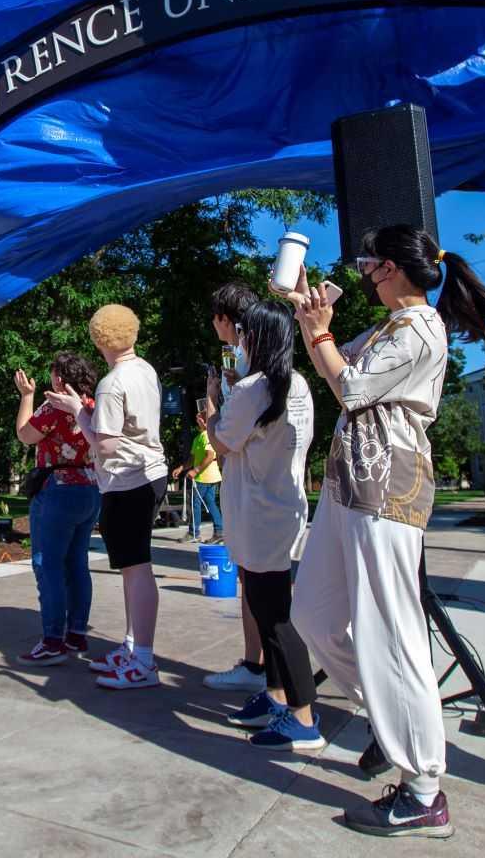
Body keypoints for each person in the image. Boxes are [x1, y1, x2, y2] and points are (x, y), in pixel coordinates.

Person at [287, 225, 485, 840]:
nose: (362, 272)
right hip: (349, 482)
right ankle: (394, 723)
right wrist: (311, 317)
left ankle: (423, 790)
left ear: (388, 268)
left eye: (367, 263)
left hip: (388, 478)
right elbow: (329, 364)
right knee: (312, 613)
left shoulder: (420, 328)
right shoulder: (389, 328)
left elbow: (352, 388)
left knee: (392, 628)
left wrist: (323, 334)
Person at [206, 300, 319, 750]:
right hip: (284, 506)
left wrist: (214, 405)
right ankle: (275, 696)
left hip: (258, 513)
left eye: (243, 332)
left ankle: (304, 716)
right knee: (270, 606)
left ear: (257, 337)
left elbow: (223, 440)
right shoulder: (297, 384)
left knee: (276, 619)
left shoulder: (254, 387)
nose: (238, 338)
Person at [44, 304, 168, 690]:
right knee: (134, 569)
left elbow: (107, 445)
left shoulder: (111, 383)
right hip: (149, 475)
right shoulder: (145, 369)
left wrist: (78, 413)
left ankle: (143, 660)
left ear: (99, 338)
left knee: (136, 569)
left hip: (129, 480)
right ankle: (133, 649)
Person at [13, 353, 101, 665]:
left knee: (47, 565)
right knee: (77, 563)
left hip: (58, 490)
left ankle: (52, 640)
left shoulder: (55, 406)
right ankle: (76, 633)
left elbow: (25, 435)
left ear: (59, 378)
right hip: (90, 487)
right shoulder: (92, 405)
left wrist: (27, 396)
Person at [203, 280, 266, 693]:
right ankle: (257, 667)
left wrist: (212, 404)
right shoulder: (247, 363)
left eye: (215, 318)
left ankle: (266, 676)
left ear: (226, 319)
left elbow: (222, 439)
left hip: (256, 494)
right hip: (252, 488)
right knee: (253, 583)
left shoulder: (250, 374)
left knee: (262, 588)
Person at [174, 413, 223, 543]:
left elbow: (209, 455)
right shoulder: (198, 437)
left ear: (205, 421)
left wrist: (195, 470)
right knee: (210, 503)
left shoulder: (208, 435)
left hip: (204, 477)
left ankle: (193, 533)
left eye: (201, 417)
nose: (198, 418)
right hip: (207, 477)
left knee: (195, 504)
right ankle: (219, 532)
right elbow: (192, 459)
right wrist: (181, 468)